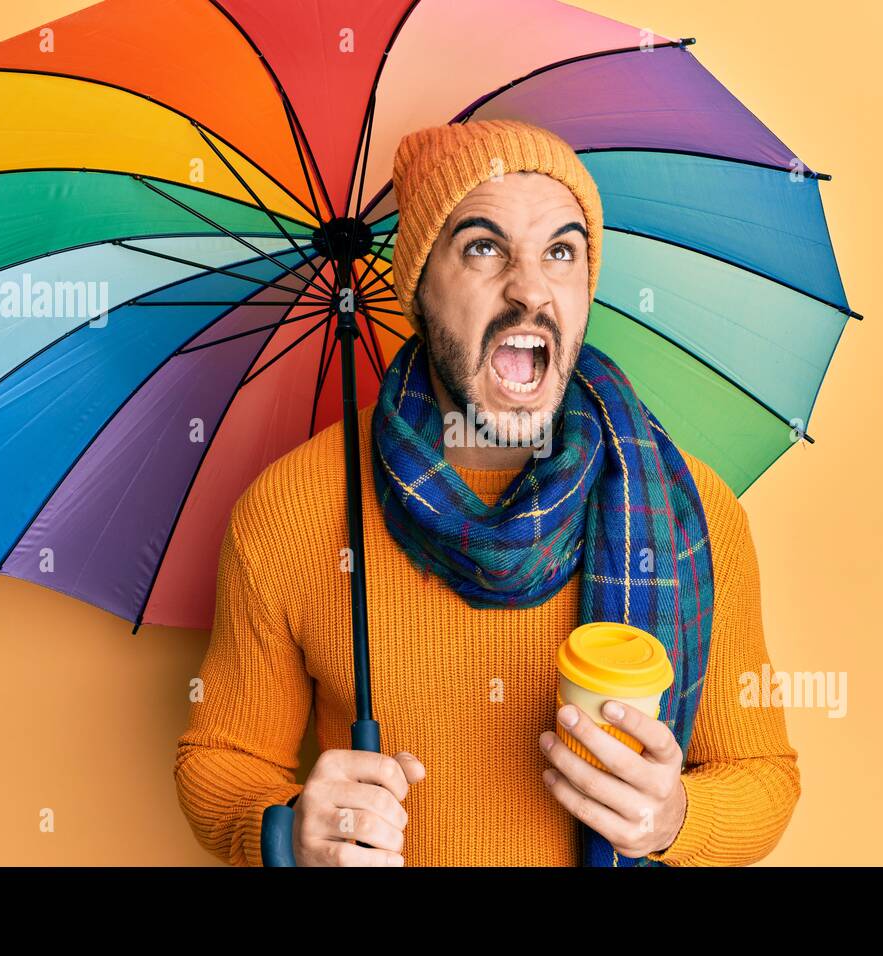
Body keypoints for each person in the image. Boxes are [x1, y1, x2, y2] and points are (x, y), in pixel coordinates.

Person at [174, 118, 800, 867]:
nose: (530, 288)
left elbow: (765, 778)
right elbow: (220, 755)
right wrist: (285, 834)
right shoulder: (291, 510)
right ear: (419, 289)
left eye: (561, 252)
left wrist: (673, 819)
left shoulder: (691, 510)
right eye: (483, 247)